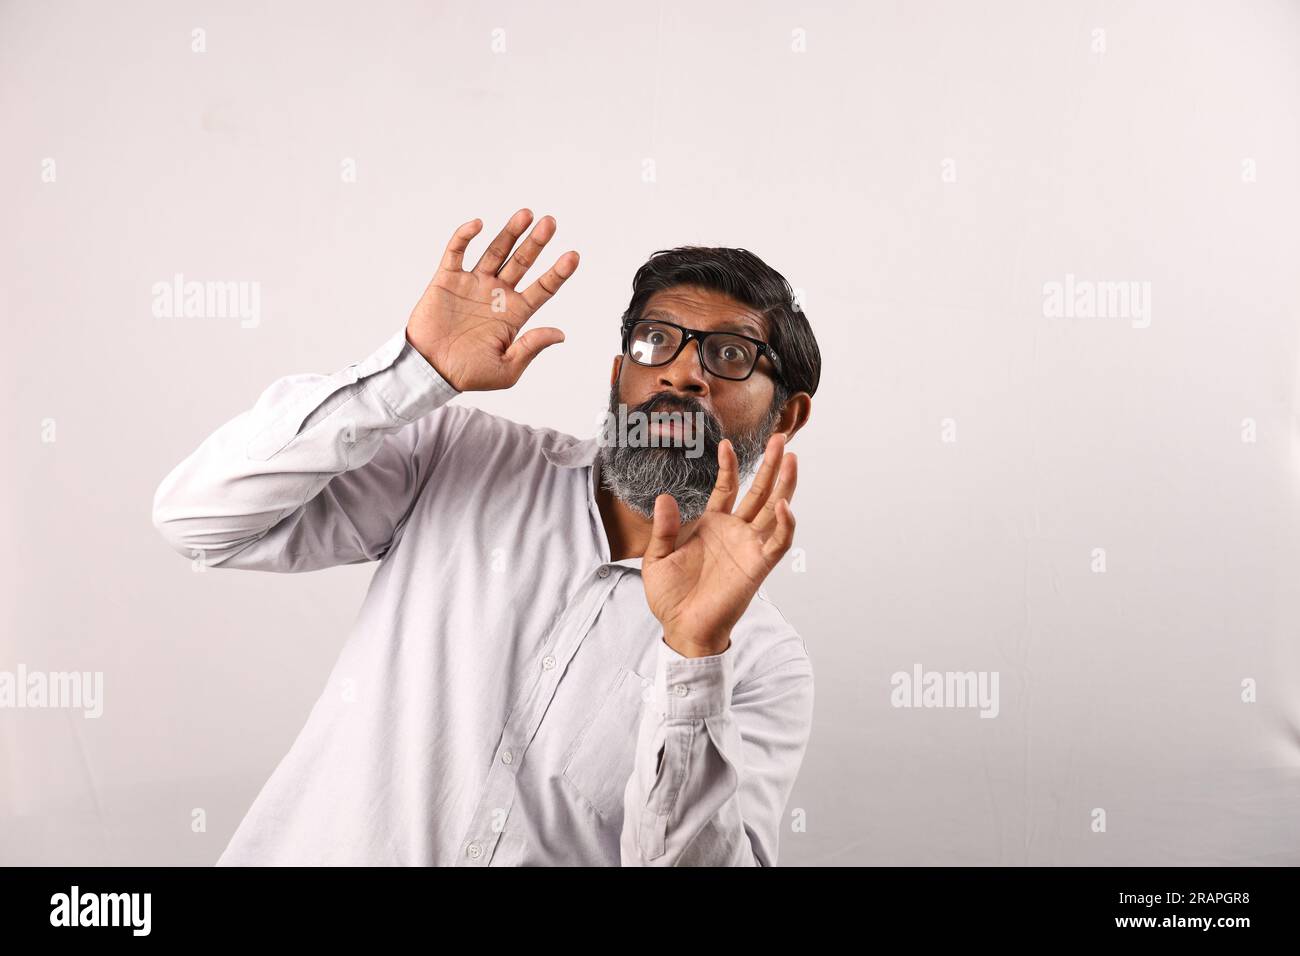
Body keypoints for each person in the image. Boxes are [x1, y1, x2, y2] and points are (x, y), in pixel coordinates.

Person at [151, 208, 821, 866]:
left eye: (730, 354)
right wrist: (414, 372)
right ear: (620, 375)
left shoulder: (763, 662)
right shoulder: (460, 456)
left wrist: (694, 654)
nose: (683, 373)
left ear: (786, 416)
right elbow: (198, 519)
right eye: (656, 341)